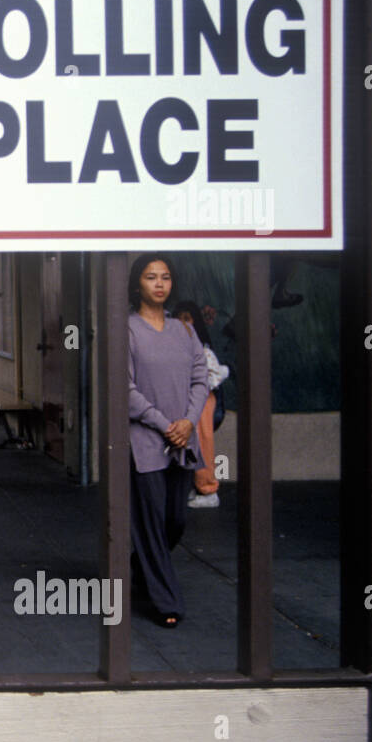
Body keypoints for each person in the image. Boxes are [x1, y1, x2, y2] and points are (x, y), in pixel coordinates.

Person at [128, 254, 208, 628]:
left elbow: (200, 379)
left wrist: (188, 423)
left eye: (165, 277)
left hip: (183, 440)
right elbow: (125, 390)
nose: (159, 283)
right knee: (151, 520)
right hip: (145, 441)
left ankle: (138, 566)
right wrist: (165, 425)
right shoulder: (126, 329)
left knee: (175, 521)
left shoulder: (184, 331)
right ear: (137, 283)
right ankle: (166, 602)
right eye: (150, 277)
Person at [173, 300, 229, 508]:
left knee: (202, 443)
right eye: (178, 320)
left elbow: (216, 375)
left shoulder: (202, 349)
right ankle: (193, 487)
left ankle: (208, 490)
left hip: (203, 400)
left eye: (187, 319)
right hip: (184, 401)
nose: (182, 324)